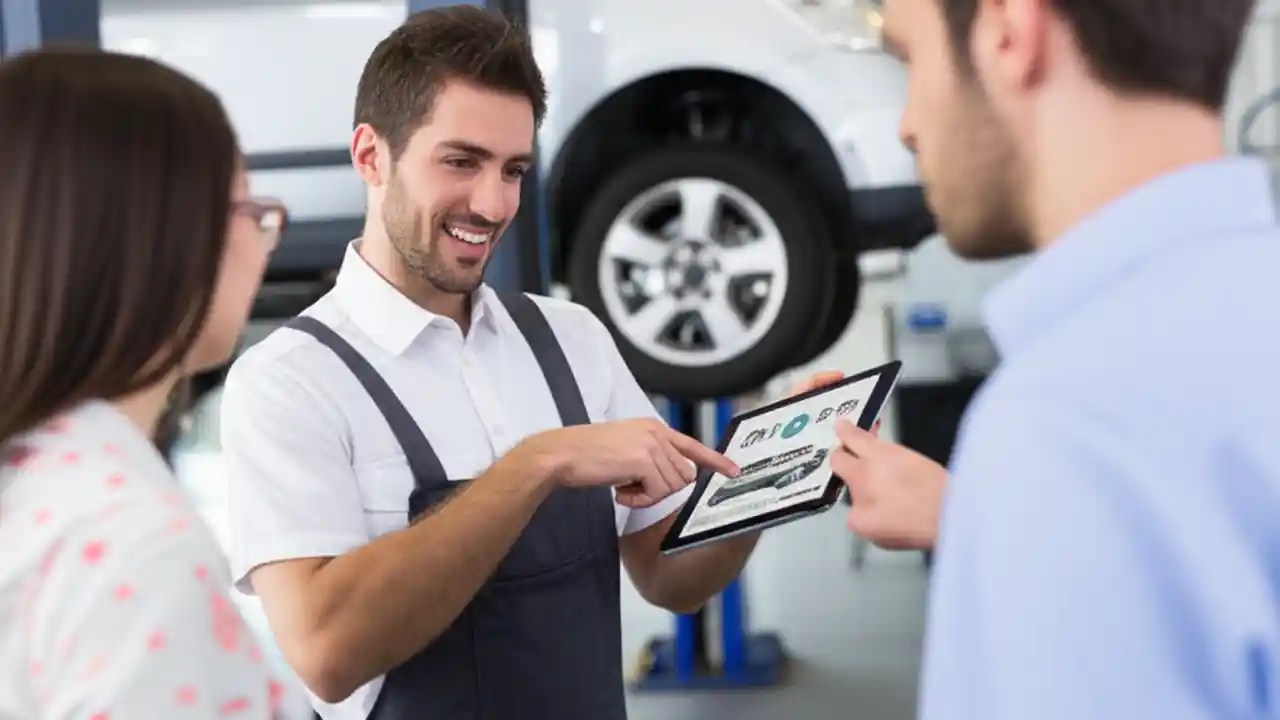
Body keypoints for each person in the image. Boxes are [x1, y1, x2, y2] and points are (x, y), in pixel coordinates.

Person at [218, 7, 840, 719]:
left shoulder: (571, 339)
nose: (491, 203)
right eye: (461, 162)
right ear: (371, 156)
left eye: (513, 170)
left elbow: (671, 576)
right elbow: (327, 653)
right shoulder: (291, 382)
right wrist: (536, 465)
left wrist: (764, 479)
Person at [832, 0, 1280, 717]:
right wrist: (972, 515)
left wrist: (1022, 508)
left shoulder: (1066, 425)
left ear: (1010, 29)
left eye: (912, 61)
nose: (908, 123)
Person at [0, 48, 284, 718]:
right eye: (251, 211)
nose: (262, 242)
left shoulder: (38, 490)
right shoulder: (135, 545)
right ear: (168, 237)